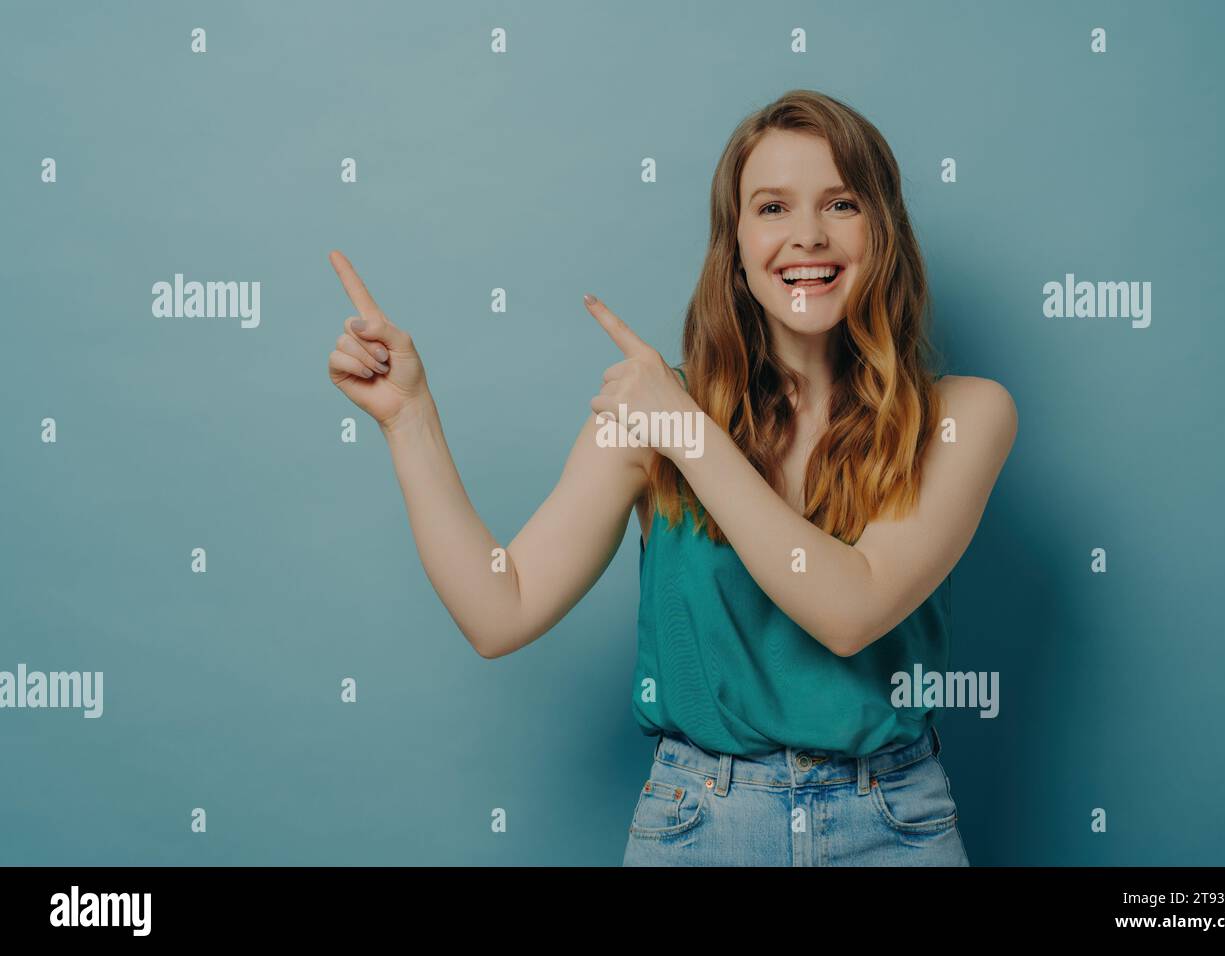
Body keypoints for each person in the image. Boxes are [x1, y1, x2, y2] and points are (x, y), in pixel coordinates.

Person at [324, 89, 1017, 866]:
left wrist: (686, 433)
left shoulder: (963, 415)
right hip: (700, 826)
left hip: (893, 825)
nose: (808, 235)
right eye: (773, 208)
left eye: (841, 203)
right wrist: (409, 419)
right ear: (735, 245)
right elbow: (500, 610)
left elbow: (850, 611)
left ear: (882, 229)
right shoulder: (650, 415)